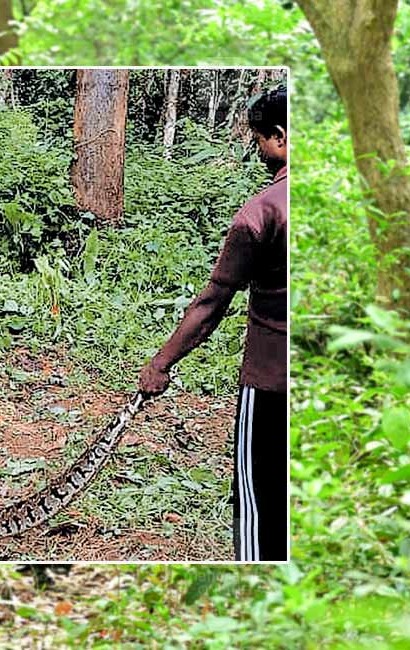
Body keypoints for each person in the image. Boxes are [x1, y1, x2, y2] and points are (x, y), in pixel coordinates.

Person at [138, 86, 288, 562]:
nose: (259, 150)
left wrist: (160, 363)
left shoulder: (262, 211)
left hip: (270, 386)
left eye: (260, 139)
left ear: (279, 137)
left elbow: (212, 303)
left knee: (261, 512)